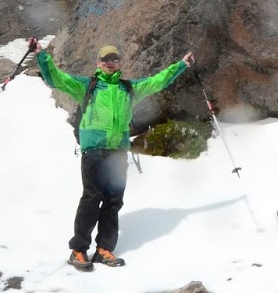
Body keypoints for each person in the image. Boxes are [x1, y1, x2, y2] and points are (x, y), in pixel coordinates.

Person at [29, 37, 193, 271]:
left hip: (118, 150)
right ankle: (78, 251)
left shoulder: (128, 88)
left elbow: (158, 81)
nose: (110, 62)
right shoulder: (87, 86)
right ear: (98, 63)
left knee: (114, 200)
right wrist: (41, 55)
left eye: (114, 59)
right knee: (91, 198)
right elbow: (56, 77)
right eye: (105, 59)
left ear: (119, 63)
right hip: (94, 149)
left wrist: (181, 65)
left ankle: (104, 249)